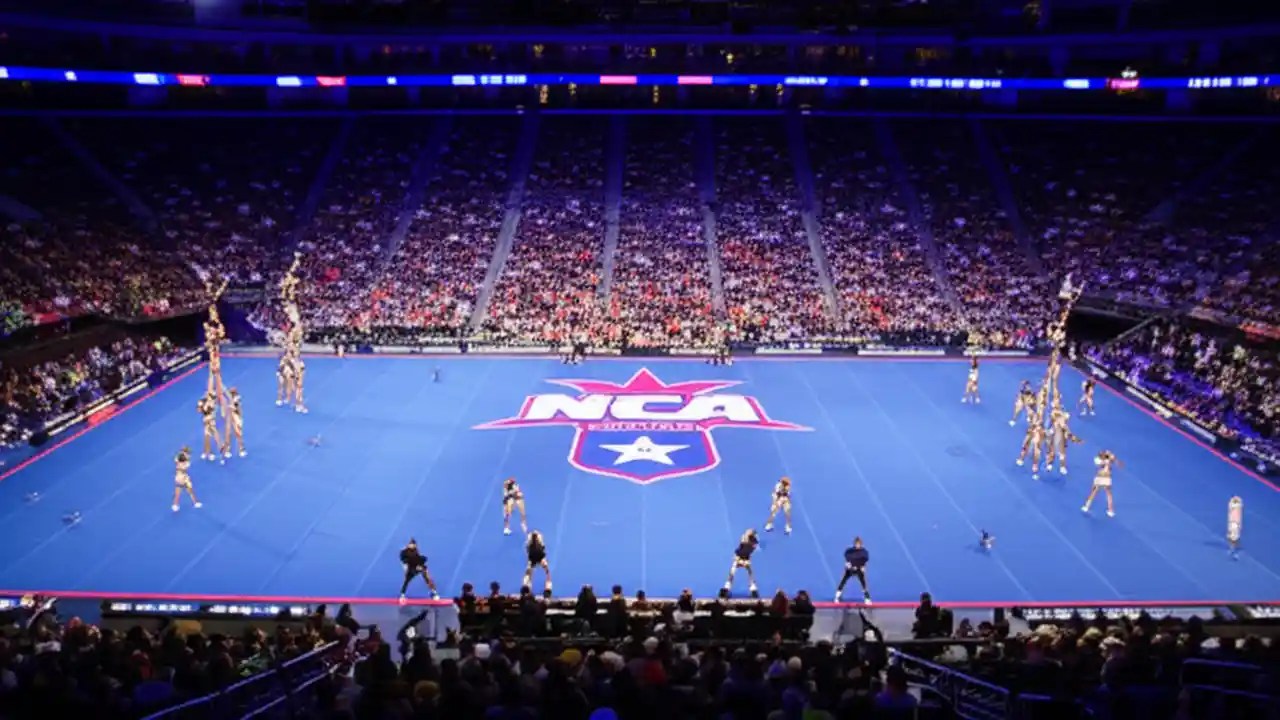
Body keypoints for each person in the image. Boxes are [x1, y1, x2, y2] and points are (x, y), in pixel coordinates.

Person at [399, 538, 439, 603]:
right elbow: (404, 562)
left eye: (413, 545)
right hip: (411, 569)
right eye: (411, 544)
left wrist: (421, 566)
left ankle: (434, 592)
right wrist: (406, 567)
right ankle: (402, 595)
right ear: (409, 545)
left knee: (427, 578)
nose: (412, 546)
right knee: (406, 580)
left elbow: (419, 559)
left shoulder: (416, 550)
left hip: (418, 566)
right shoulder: (404, 552)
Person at [1082, 450, 1121, 517]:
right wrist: (1111, 459)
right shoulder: (1101, 460)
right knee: (1097, 492)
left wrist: (1112, 459)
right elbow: (1102, 463)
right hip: (1103, 477)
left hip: (1103, 477)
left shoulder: (1105, 460)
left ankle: (1110, 510)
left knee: (1104, 493)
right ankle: (1110, 510)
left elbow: (1118, 463)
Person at [835, 536, 871, 604]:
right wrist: (848, 564)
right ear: (854, 544)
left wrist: (863, 567)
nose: (857, 545)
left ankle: (867, 598)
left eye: (858, 544)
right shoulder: (850, 551)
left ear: (861, 544)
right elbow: (847, 559)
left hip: (859, 569)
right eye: (856, 544)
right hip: (850, 569)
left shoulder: (864, 552)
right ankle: (837, 596)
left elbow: (864, 561)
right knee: (843, 580)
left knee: (863, 583)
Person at [723, 529, 760, 595]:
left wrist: (746, 561)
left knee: (750, 572)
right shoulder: (744, 541)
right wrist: (739, 561)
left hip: (746, 558)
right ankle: (727, 587)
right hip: (738, 557)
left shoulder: (753, 544)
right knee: (732, 572)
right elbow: (737, 555)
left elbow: (750, 552)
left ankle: (753, 588)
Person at [171, 446, 202, 512]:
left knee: (178, 491)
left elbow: (177, 458)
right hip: (183, 478)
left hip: (178, 477)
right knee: (189, 490)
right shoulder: (186, 463)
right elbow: (185, 466)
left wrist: (182, 452)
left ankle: (175, 505)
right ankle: (195, 502)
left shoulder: (178, 460)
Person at [523, 530, 552, 596]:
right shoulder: (540, 539)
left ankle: (526, 586)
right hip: (540, 557)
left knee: (528, 573)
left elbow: (527, 550)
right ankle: (548, 588)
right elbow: (543, 548)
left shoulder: (529, 540)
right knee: (547, 572)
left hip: (532, 558)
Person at [198, 391, 224, 463]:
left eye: (214, 398)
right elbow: (199, 410)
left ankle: (219, 448)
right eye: (212, 397)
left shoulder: (213, 405)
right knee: (207, 436)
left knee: (211, 434)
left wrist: (209, 419)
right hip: (206, 420)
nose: (213, 399)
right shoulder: (203, 401)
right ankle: (208, 452)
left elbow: (212, 415)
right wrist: (201, 406)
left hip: (210, 420)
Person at [223, 388, 246, 459]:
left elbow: (239, 410)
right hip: (230, 419)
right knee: (228, 434)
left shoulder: (236, 401)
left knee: (238, 434)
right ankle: (227, 449)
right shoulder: (229, 401)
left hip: (236, 418)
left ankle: (241, 448)